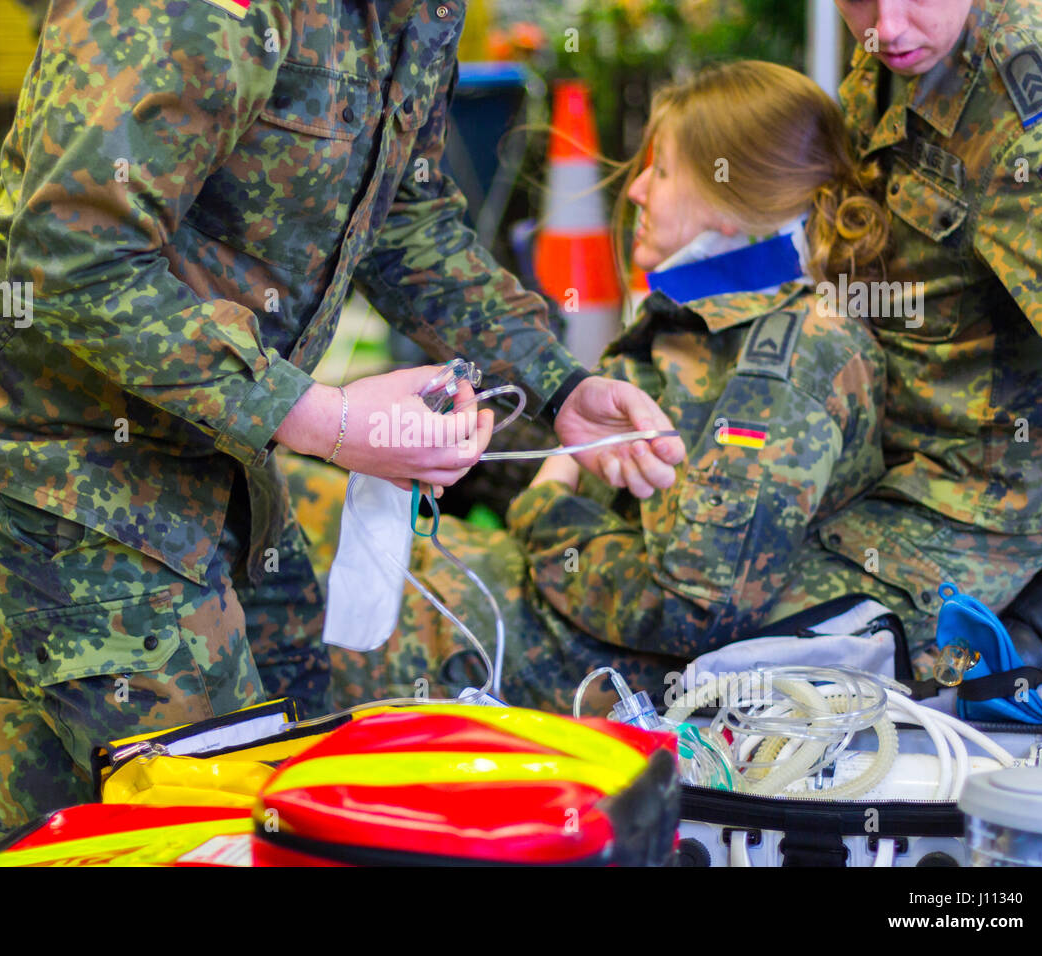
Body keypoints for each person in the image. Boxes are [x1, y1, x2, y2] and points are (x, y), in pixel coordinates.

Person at [0, 0, 687, 846]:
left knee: (291, 747)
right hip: (50, 441)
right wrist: (321, 418)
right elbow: (72, 253)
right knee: (198, 806)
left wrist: (557, 383)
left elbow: (402, 209)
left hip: (215, 435)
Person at [300, 60, 892, 714]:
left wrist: (545, 502)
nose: (635, 189)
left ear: (732, 201)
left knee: (295, 537)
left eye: (661, 172)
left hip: (583, 666)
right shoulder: (707, 323)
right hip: (560, 621)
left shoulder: (790, 356)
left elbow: (692, 608)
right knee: (291, 494)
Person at [765, 0, 1042, 671]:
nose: (887, 27)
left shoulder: (1035, 115)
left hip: (979, 495)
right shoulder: (904, 39)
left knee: (757, 654)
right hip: (880, 448)